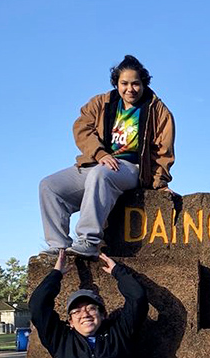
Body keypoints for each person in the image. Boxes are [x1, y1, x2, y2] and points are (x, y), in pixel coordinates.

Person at [39, 54, 175, 258]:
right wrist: (99, 152)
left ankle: (89, 240)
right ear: (117, 84)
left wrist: (159, 183)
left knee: (101, 174)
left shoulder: (158, 110)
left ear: (144, 84)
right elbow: (81, 127)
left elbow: (163, 150)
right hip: (98, 162)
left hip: (132, 168)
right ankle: (58, 246)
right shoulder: (102, 102)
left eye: (136, 83)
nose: (130, 89)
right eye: (124, 83)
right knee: (49, 186)